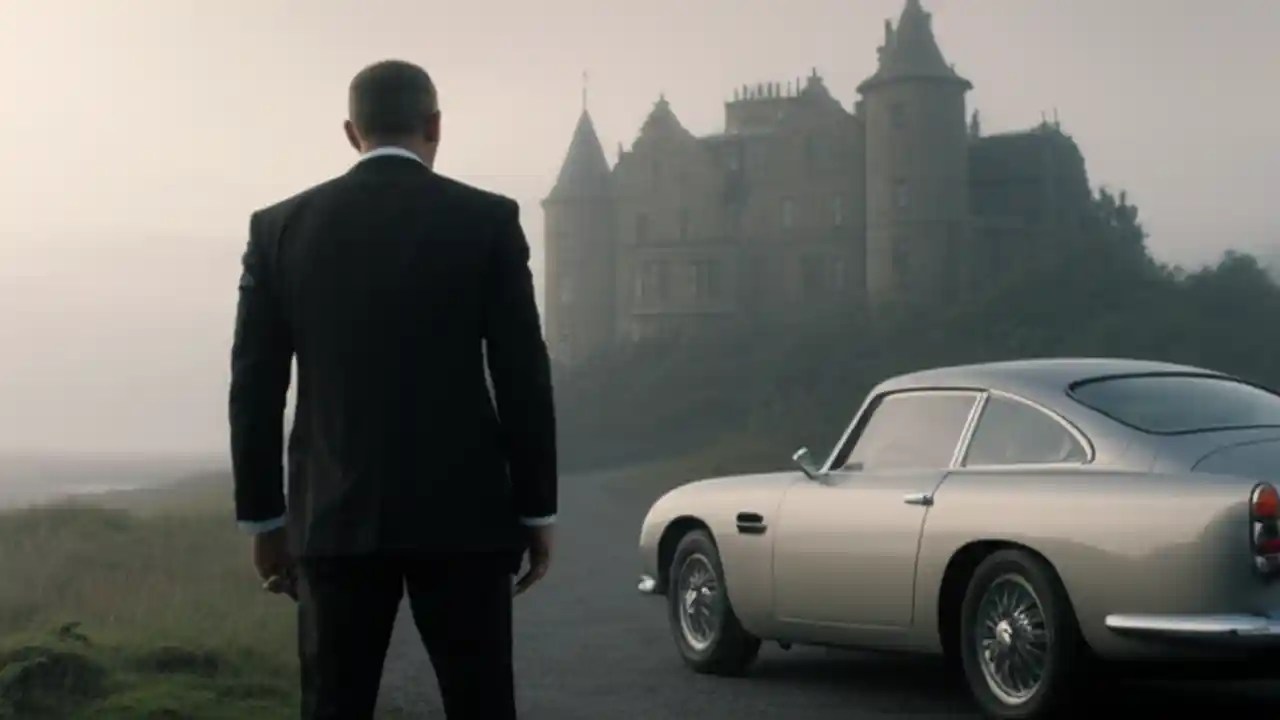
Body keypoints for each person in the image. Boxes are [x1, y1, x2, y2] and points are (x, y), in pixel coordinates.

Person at [228, 59, 558, 719]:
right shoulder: (488, 220)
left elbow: (255, 386)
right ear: (435, 125)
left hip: (333, 517)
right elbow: (523, 373)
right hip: (465, 519)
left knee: (334, 705)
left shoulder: (278, 230)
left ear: (351, 132)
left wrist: (266, 519)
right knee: (481, 703)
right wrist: (535, 512)